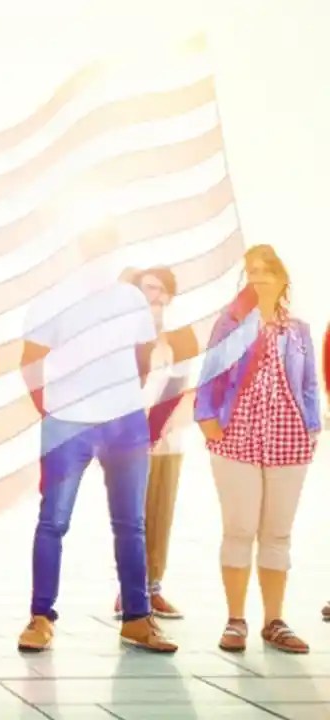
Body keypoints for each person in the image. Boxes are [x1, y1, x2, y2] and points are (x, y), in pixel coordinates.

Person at [17, 224, 176, 654]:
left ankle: (137, 620)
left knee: (131, 525)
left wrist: (121, 400)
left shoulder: (130, 299)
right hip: (67, 424)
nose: (101, 256)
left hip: (124, 424)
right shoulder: (53, 299)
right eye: (93, 247)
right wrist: (49, 411)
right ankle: (40, 618)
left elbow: (143, 355)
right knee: (53, 521)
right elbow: (29, 361)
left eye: (108, 247)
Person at [197, 244, 317, 654]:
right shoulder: (231, 325)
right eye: (252, 270)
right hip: (236, 438)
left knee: (277, 533)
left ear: (282, 277)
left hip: (289, 439)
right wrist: (207, 421)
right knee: (240, 529)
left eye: (267, 270)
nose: (259, 276)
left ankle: (274, 622)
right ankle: (235, 621)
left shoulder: (298, 330)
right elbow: (209, 374)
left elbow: (309, 386)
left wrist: (312, 429)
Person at [114, 266, 198, 619]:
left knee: (161, 511)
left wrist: (157, 428)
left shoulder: (181, 335)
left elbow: (182, 382)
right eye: (149, 287)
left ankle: (154, 587)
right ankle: (127, 591)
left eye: (162, 289)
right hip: (129, 437)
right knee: (132, 516)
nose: (155, 294)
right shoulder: (124, 333)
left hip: (168, 438)